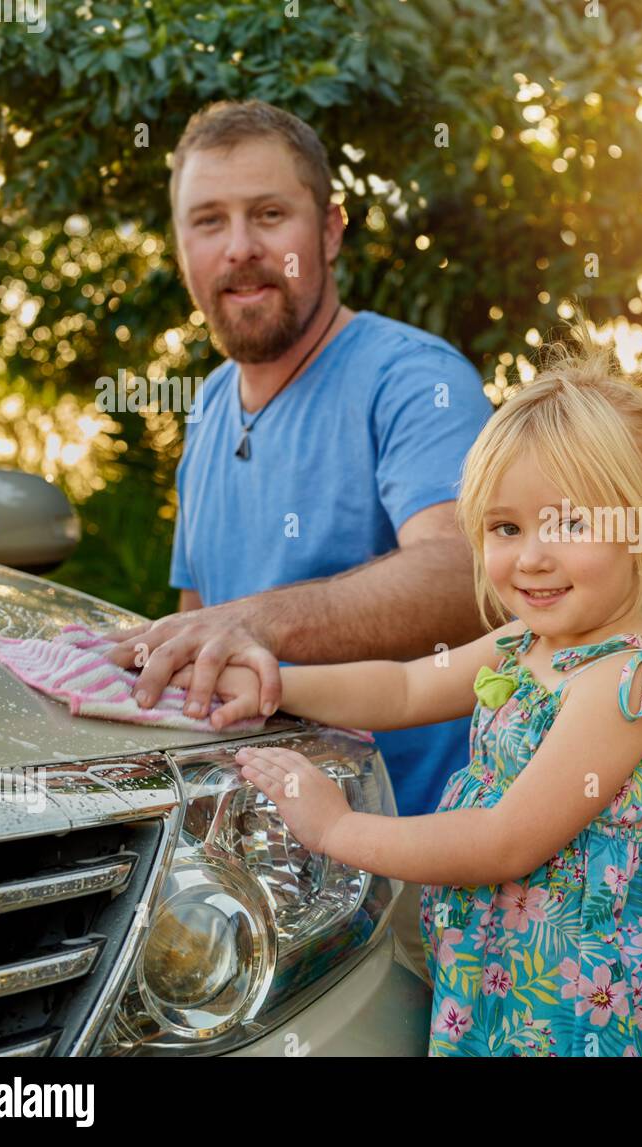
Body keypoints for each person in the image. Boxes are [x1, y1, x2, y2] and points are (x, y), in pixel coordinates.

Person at [180, 321, 642, 1056]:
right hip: (487, 990)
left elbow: (503, 843)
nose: (532, 557)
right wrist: (275, 684)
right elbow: (401, 689)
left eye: (571, 523)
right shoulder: (528, 642)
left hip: (563, 1023)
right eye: (505, 526)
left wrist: (337, 830)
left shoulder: (625, 682)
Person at [104, 99, 493, 982]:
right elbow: (196, 628)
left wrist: (261, 624)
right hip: (256, 904)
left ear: (330, 232)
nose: (238, 245)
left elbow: (467, 572)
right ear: (182, 250)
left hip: (425, 899)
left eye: (268, 213)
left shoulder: (414, 380)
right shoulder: (204, 410)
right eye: (209, 220)